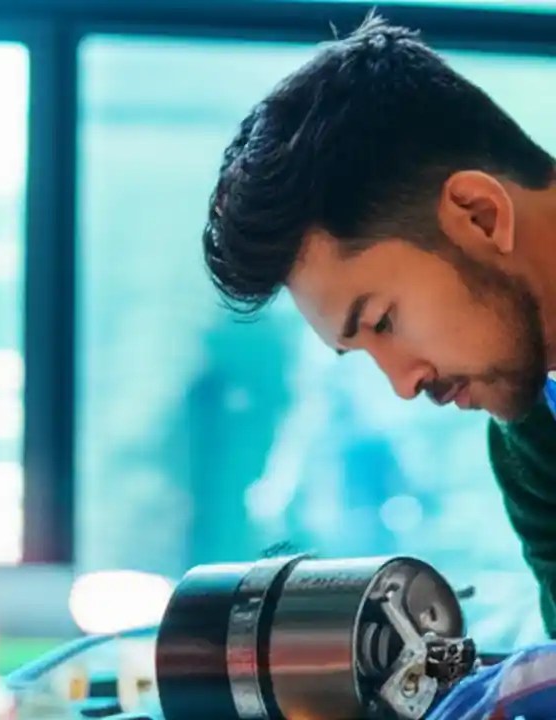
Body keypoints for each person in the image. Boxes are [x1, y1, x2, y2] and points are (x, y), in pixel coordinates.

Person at [199, 16, 556, 633]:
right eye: (359, 350)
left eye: (383, 321)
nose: (402, 384)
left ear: (478, 215)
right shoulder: (531, 433)